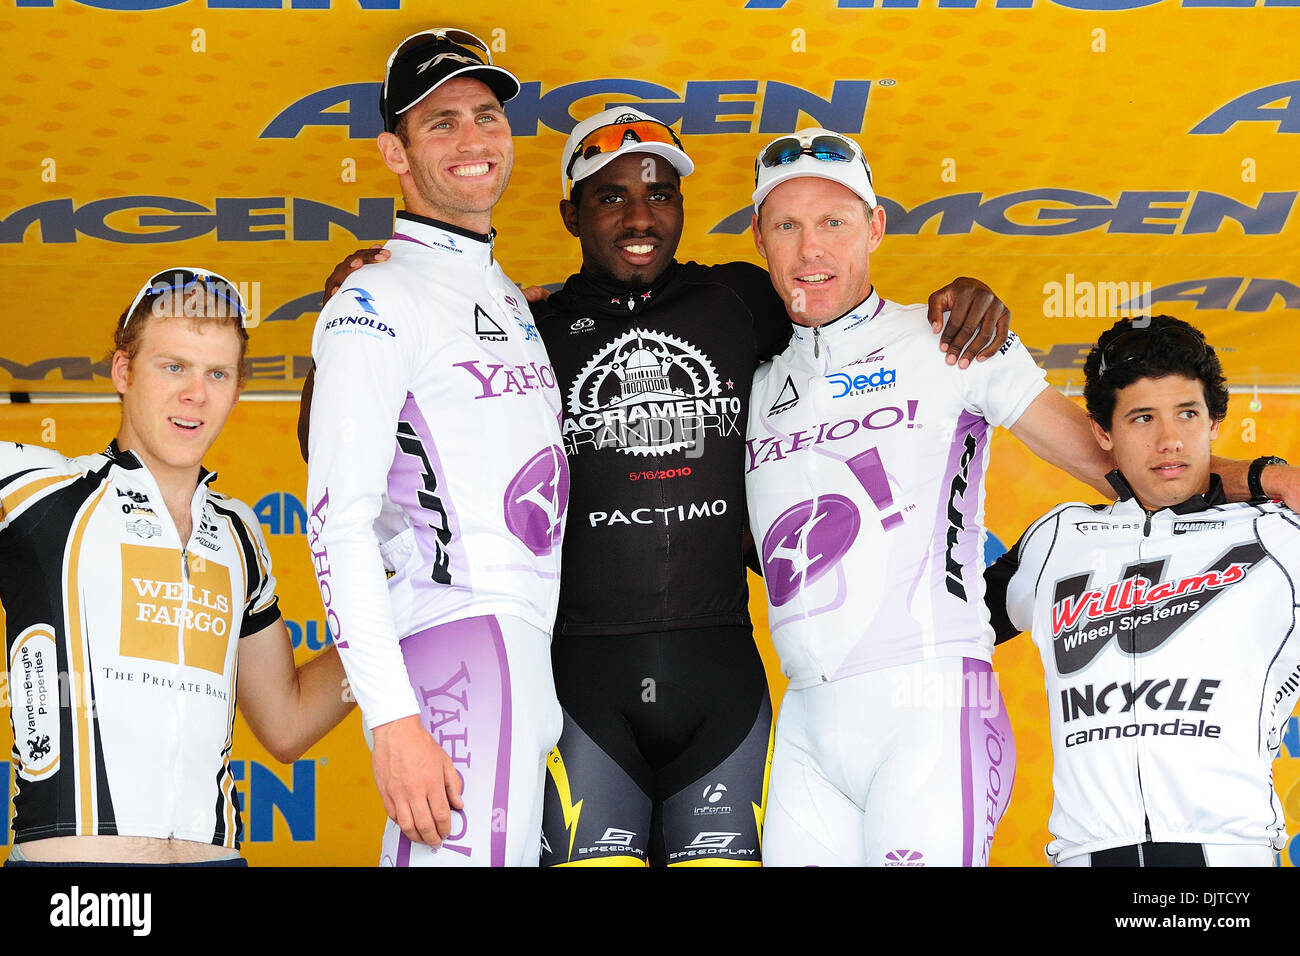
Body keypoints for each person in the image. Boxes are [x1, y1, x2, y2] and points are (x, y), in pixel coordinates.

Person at [307, 106, 1015, 866]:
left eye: (661, 195)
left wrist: (964, 299)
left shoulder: (745, 301)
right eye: (610, 198)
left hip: (719, 680)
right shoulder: (523, 326)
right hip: (582, 684)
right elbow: (350, 442)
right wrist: (347, 315)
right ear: (569, 213)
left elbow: (846, 313)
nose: (640, 217)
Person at [742, 128, 1298, 867]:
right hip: (806, 715)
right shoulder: (748, 377)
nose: (811, 250)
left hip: (932, 705)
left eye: (834, 223)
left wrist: (1257, 477)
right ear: (759, 236)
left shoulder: (950, 339)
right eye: (788, 225)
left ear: (876, 227)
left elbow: (1112, 464)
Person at [302, 28, 566, 867]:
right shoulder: (376, 298)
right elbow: (338, 522)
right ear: (394, 152)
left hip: (521, 661)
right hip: (459, 652)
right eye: (440, 122)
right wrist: (392, 720)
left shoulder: (502, 293)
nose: (473, 139)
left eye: (486, 115)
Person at [0, 268, 353, 866]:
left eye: (217, 373)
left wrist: (406, 610)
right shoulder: (35, 487)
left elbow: (288, 725)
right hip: (78, 877)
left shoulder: (238, 531)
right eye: (173, 367)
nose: (196, 393)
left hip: (215, 860)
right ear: (122, 371)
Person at [984, 316, 1298, 867]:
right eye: (1142, 418)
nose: (1169, 439)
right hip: (1085, 854)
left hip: (1230, 856)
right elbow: (935, 631)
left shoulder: (1277, 536)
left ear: (1214, 422)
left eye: (1188, 414)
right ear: (1103, 433)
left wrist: (1264, 477)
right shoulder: (1058, 538)